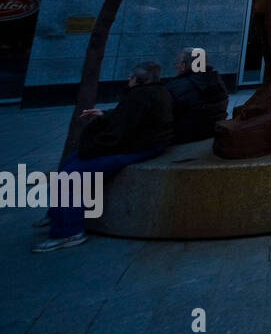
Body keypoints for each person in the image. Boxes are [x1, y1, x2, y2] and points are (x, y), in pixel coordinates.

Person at [33, 63, 173, 252]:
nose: (128, 80)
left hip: (139, 146)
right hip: (142, 143)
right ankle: (58, 214)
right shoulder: (151, 92)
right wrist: (105, 115)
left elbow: (125, 129)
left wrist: (97, 145)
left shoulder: (140, 96)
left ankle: (68, 231)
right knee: (71, 162)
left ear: (140, 80)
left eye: (130, 77)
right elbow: (128, 119)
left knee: (71, 175)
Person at [165, 48, 229, 143]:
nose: (176, 66)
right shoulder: (217, 80)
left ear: (184, 65)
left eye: (177, 62)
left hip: (185, 137)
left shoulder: (176, 86)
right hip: (211, 131)